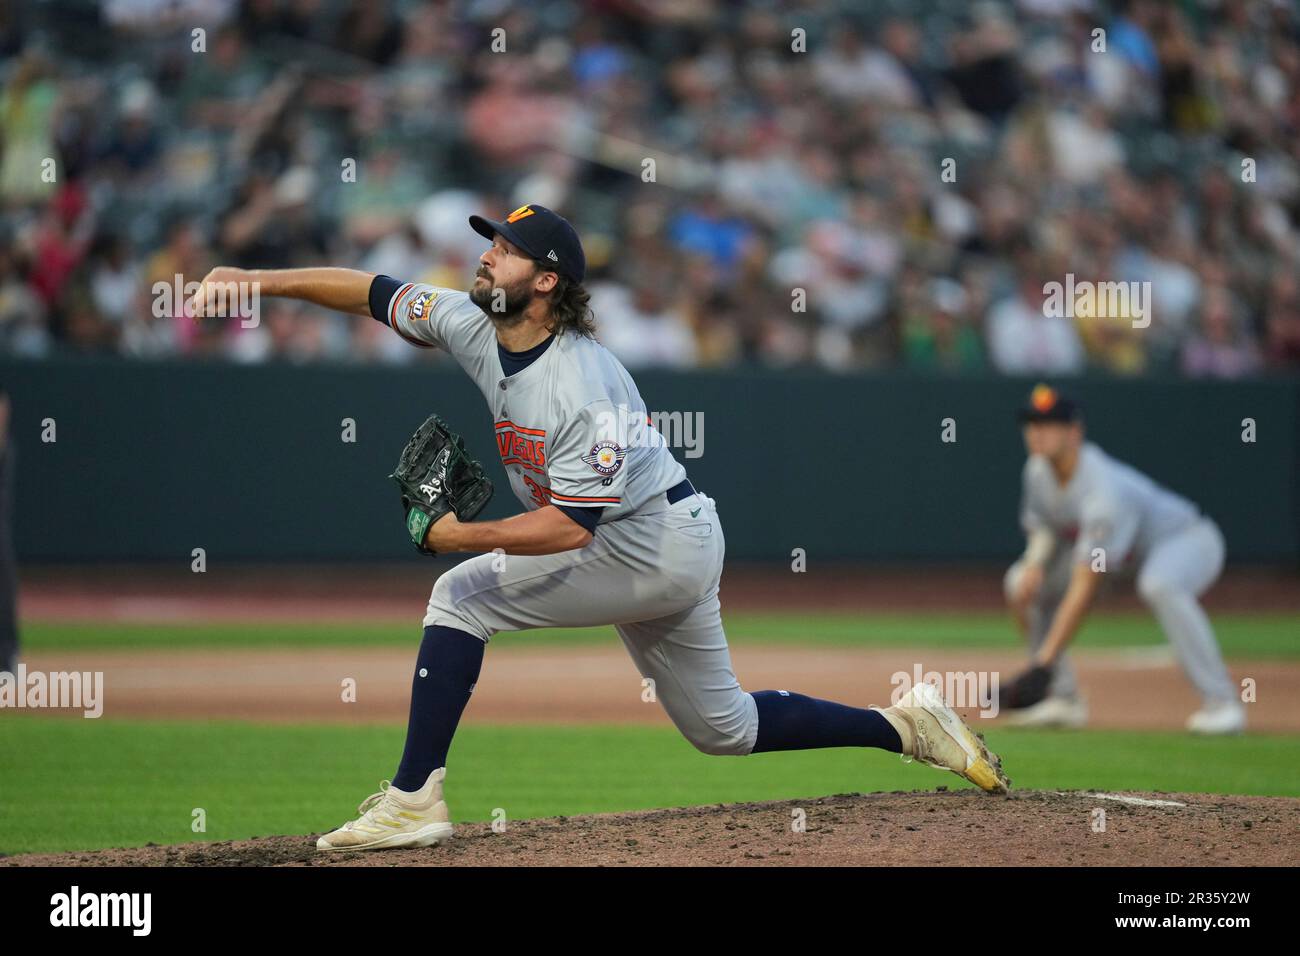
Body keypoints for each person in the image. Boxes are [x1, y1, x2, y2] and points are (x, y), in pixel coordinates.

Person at [189, 203, 1009, 853]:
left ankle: (412, 800)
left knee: (461, 595)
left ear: (545, 281)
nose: (485, 257)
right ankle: (907, 727)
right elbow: (372, 291)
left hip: (653, 545)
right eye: (489, 243)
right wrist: (255, 281)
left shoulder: (584, 384)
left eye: (504, 250)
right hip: (655, 540)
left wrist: (457, 538)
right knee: (723, 730)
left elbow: (570, 530)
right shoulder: (474, 322)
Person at [1002, 383, 1244, 734]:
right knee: (1018, 581)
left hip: (1186, 539)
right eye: (1031, 423)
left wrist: (1042, 663)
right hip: (1125, 554)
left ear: (1074, 432)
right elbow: (1043, 526)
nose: (1036, 432)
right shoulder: (1037, 471)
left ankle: (1224, 705)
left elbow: (1086, 585)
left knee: (1159, 584)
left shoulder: (1103, 491)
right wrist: (1035, 563)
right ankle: (1063, 699)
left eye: (1048, 423)